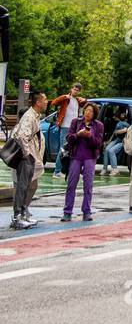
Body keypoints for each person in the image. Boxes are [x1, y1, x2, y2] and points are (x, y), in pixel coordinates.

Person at [10, 90, 48, 230]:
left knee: (26, 186)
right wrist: (27, 155)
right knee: (22, 187)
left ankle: (22, 214)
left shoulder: (35, 116)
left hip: (30, 157)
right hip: (26, 158)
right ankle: (17, 217)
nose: (46, 102)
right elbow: (22, 136)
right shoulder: (29, 117)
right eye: (44, 99)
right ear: (38, 102)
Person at [61, 102, 104, 222]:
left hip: (90, 157)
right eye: (86, 110)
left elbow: (98, 143)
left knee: (88, 185)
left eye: (90, 111)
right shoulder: (76, 122)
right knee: (71, 184)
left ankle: (87, 211)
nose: (87, 113)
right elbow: (69, 138)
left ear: (94, 113)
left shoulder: (98, 125)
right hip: (76, 156)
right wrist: (78, 134)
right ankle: (67, 211)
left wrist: (89, 136)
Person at [50, 82, 83, 178]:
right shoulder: (66, 98)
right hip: (65, 126)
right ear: (71, 89)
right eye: (74, 89)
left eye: (77, 90)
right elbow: (53, 102)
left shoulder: (78, 100)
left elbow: (86, 104)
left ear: (79, 91)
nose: (75, 91)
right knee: (63, 148)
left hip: (74, 128)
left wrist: (84, 100)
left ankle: (73, 171)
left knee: (73, 149)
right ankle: (57, 171)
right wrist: (64, 97)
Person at [101, 106, 130, 174]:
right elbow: (114, 133)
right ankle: (105, 168)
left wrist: (124, 130)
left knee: (111, 151)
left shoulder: (126, 123)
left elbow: (130, 130)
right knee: (106, 149)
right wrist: (108, 142)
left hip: (123, 140)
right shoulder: (118, 123)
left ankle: (115, 169)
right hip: (117, 139)